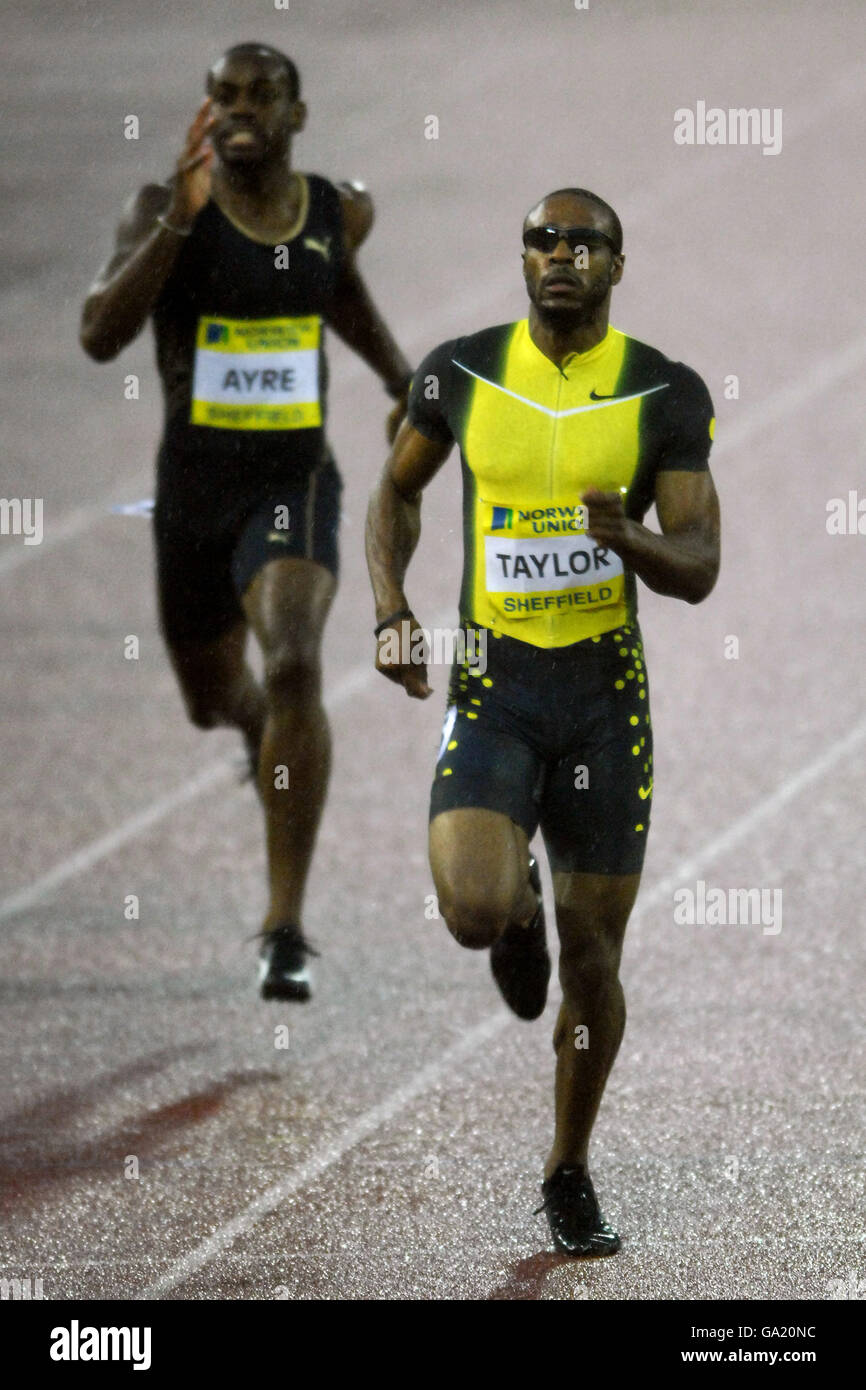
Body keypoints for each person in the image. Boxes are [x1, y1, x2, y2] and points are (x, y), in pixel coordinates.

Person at [365, 187, 720, 1255]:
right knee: (473, 911)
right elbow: (394, 494)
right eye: (541, 240)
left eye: (584, 243)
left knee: (595, 961)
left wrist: (631, 542)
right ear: (522, 259)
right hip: (491, 682)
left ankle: (567, 1166)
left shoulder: (663, 391)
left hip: (604, 704)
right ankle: (510, 908)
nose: (559, 255)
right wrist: (391, 611)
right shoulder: (459, 372)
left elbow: (699, 567)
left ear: (618, 264)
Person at [81, 43, 412, 1002]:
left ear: (296, 116)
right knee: (211, 698)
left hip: (293, 481)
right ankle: (258, 732)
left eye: (261, 96)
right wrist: (179, 229)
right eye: (223, 95)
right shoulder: (159, 210)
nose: (239, 111)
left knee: (299, 658)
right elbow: (100, 335)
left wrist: (401, 380)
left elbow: (338, 289)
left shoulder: (335, 210)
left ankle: (283, 927)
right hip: (192, 497)